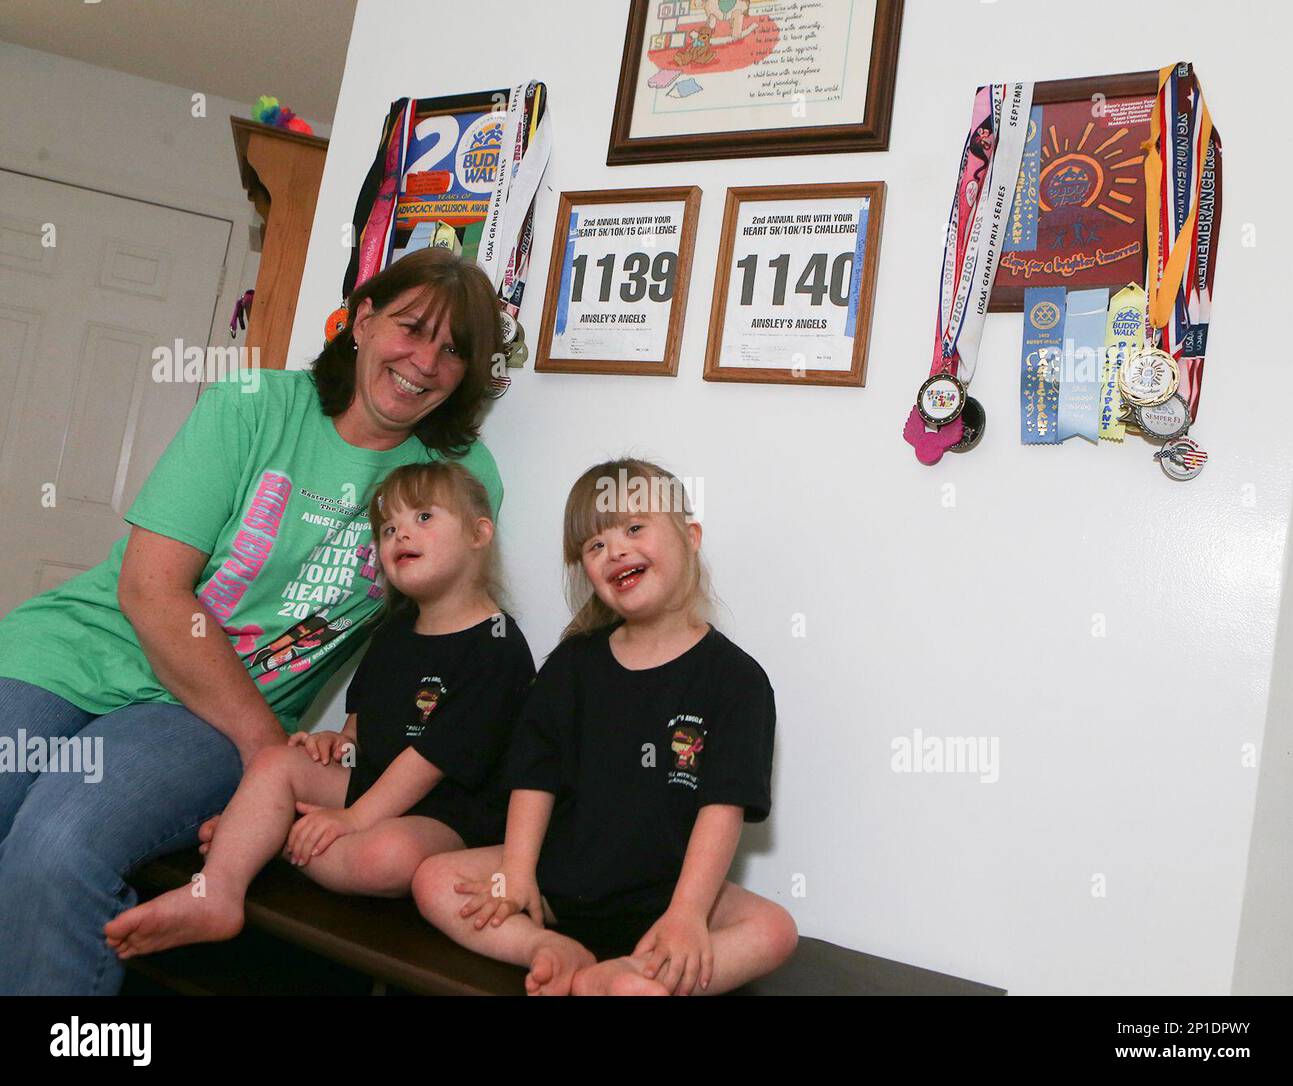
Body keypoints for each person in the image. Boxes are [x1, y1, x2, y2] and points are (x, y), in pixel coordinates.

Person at [0, 246, 506, 995]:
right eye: (410, 328)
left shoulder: (458, 480)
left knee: (56, 848)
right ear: (362, 321)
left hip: (211, 712)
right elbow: (151, 589)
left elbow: (439, 643)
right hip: (75, 652)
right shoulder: (251, 404)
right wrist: (274, 761)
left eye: (452, 350)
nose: (424, 361)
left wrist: (320, 763)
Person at [104, 462, 534, 959]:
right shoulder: (394, 632)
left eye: (422, 517)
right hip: (371, 785)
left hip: (448, 812)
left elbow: (428, 761)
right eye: (388, 528)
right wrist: (342, 745)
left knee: (386, 858)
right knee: (276, 762)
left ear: (479, 533)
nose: (399, 535)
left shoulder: (497, 646)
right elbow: (364, 721)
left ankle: (266, 837)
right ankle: (218, 892)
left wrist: (352, 820)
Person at [411, 458, 798, 996]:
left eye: (634, 528)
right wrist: (518, 873)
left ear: (689, 537)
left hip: (668, 895)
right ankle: (545, 948)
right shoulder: (572, 666)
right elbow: (533, 775)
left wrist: (687, 914)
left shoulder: (737, 680)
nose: (614, 549)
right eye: (594, 546)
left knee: (775, 930)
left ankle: (633, 974)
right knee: (432, 879)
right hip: (553, 882)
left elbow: (723, 806)